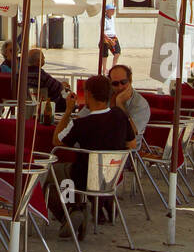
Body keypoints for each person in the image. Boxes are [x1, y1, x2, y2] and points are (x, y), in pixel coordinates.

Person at [47, 73, 134, 233]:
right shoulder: (120, 116)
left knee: (53, 174)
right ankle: (75, 208)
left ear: (88, 94)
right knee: (65, 175)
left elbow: (57, 141)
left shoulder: (81, 124)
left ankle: (70, 212)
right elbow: (132, 144)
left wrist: (67, 111)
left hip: (85, 176)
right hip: (111, 176)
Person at [107, 63, 150, 149]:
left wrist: (119, 104)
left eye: (123, 82)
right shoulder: (106, 95)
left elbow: (130, 132)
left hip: (127, 152)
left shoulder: (140, 104)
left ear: (130, 80)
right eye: (115, 83)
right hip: (103, 145)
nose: (120, 87)